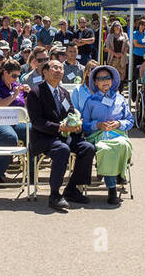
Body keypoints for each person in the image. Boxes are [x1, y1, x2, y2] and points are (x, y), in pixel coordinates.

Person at [28, 56, 96, 210]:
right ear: (45, 72)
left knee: (88, 148)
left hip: (65, 135)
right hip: (44, 137)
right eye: (54, 68)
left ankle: (71, 189)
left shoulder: (64, 92)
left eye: (61, 68)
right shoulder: (36, 92)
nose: (59, 71)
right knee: (62, 150)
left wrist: (76, 123)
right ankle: (54, 195)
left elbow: (71, 112)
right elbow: (37, 121)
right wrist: (60, 127)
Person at [79, 64, 134, 205]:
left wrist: (118, 124)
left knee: (123, 145)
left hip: (117, 133)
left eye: (107, 78)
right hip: (97, 135)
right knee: (106, 149)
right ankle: (112, 190)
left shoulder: (121, 99)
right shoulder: (90, 101)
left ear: (112, 80)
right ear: (96, 82)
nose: (105, 81)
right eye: (101, 78)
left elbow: (130, 120)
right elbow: (83, 124)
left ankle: (119, 175)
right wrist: (97, 125)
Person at [0, 59, 31, 183]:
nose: (16, 78)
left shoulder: (16, 86)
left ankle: (31, 172)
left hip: (14, 121)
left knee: (34, 131)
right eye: (13, 75)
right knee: (10, 137)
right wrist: (14, 95)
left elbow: (25, 104)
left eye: (18, 76)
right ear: (4, 72)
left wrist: (29, 94)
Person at [130, 16, 145, 99]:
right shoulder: (135, 33)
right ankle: (134, 96)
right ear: (139, 25)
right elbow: (135, 44)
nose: (143, 26)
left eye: (144, 25)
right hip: (137, 55)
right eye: (141, 24)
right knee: (135, 74)